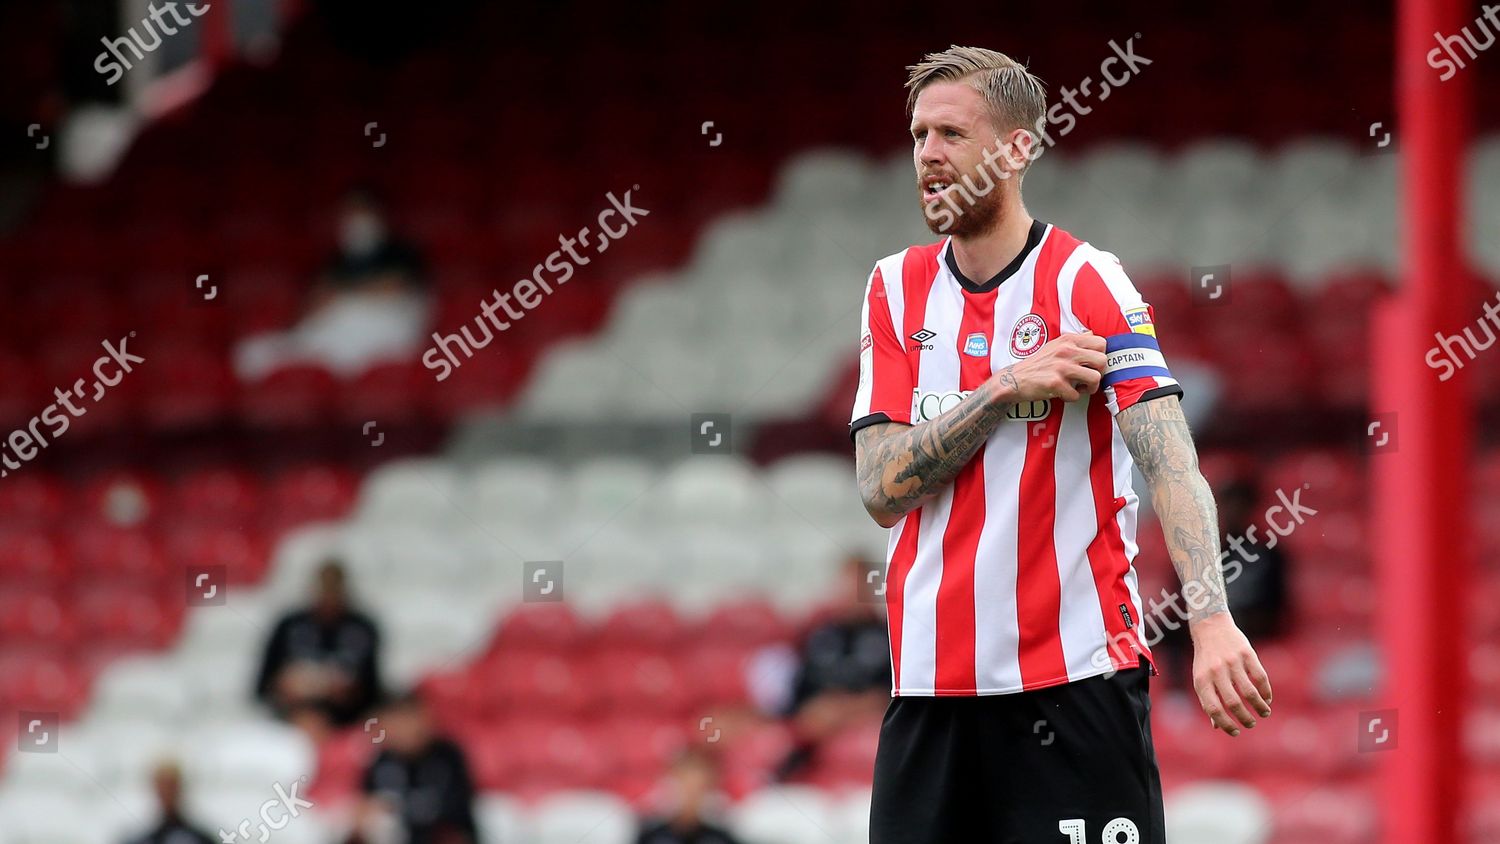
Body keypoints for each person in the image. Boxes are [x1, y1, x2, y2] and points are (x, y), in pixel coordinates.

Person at [849, 47, 1273, 843]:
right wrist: (1002, 388)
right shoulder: (893, 288)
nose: (928, 156)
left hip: (1074, 684)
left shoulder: (1088, 282)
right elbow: (880, 490)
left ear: (1015, 150)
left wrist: (1211, 621)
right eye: (917, 135)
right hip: (930, 700)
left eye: (950, 134)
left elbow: (1170, 460)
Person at [233, 188, 430, 380]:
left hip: (381, 333)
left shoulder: (402, 253)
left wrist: (343, 294)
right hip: (333, 333)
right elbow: (316, 300)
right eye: (349, 213)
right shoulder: (335, 261)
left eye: (361, 211)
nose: (356, 221)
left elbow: (397, 288)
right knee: (252, 352)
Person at [772, 556, 890, 781]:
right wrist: (817, 710)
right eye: (846, 584)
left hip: (870, 722)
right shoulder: (819, 636)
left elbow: (892, 695)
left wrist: (847, 710)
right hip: (820, 724)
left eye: (859, 584)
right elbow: (798, 696)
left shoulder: (891, 635)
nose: (851, 592)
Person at [255, 559, 384, 736]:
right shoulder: (289, 626)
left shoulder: (363, 628)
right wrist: (286, 685)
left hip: (347, 727)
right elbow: (262, 686)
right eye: (324, 587)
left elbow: (374, 691)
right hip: (292, 722)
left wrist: (348, 690)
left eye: (334, 588)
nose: (329, 596)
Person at [353, 692, 479, 844]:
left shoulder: (448, 755)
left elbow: (458, 809)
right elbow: (367, 805)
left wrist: (401, 810)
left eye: (409, 720)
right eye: (396, 723)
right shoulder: (381, 761)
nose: (404, 730)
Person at [634, 750, 742, 844]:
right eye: (685, 783)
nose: (690, 795)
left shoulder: (722, 836)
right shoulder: (650, 833)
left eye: (698, 787)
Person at [122, 759, 215, 844]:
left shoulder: (200, 838)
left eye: (171, 787)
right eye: (163, 788)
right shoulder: (138, 838)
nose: (167, 793)